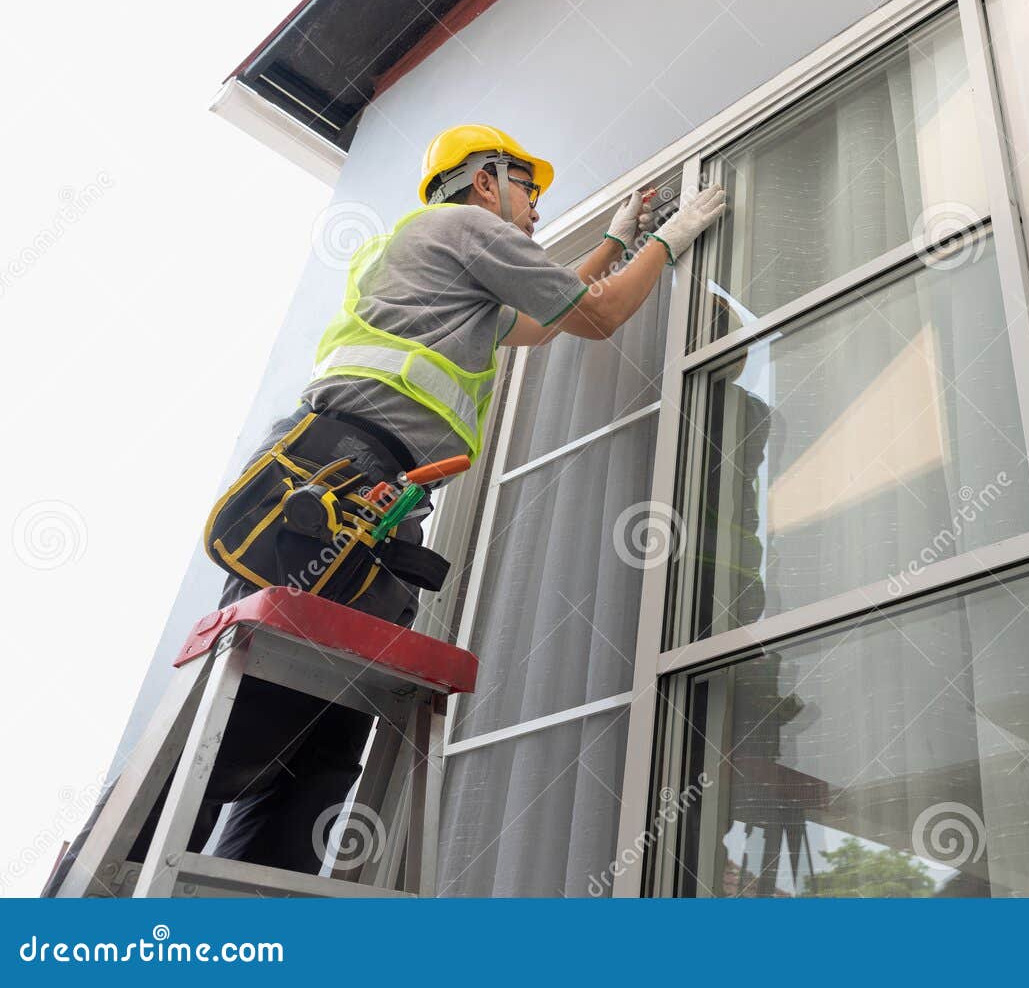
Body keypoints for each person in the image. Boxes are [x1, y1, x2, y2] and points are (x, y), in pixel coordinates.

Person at [47, 125, 726, 890]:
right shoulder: (465, 227)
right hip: (341, 483)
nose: (536, 212)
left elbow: (539, 321)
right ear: (485, 182)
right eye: (529, 191)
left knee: (323, 737)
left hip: (371, 498)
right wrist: (666, 242)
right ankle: (88, 920)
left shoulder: (438, 262)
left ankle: (244, 927)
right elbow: (596, 316)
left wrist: (614, 240)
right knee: (249, 721)